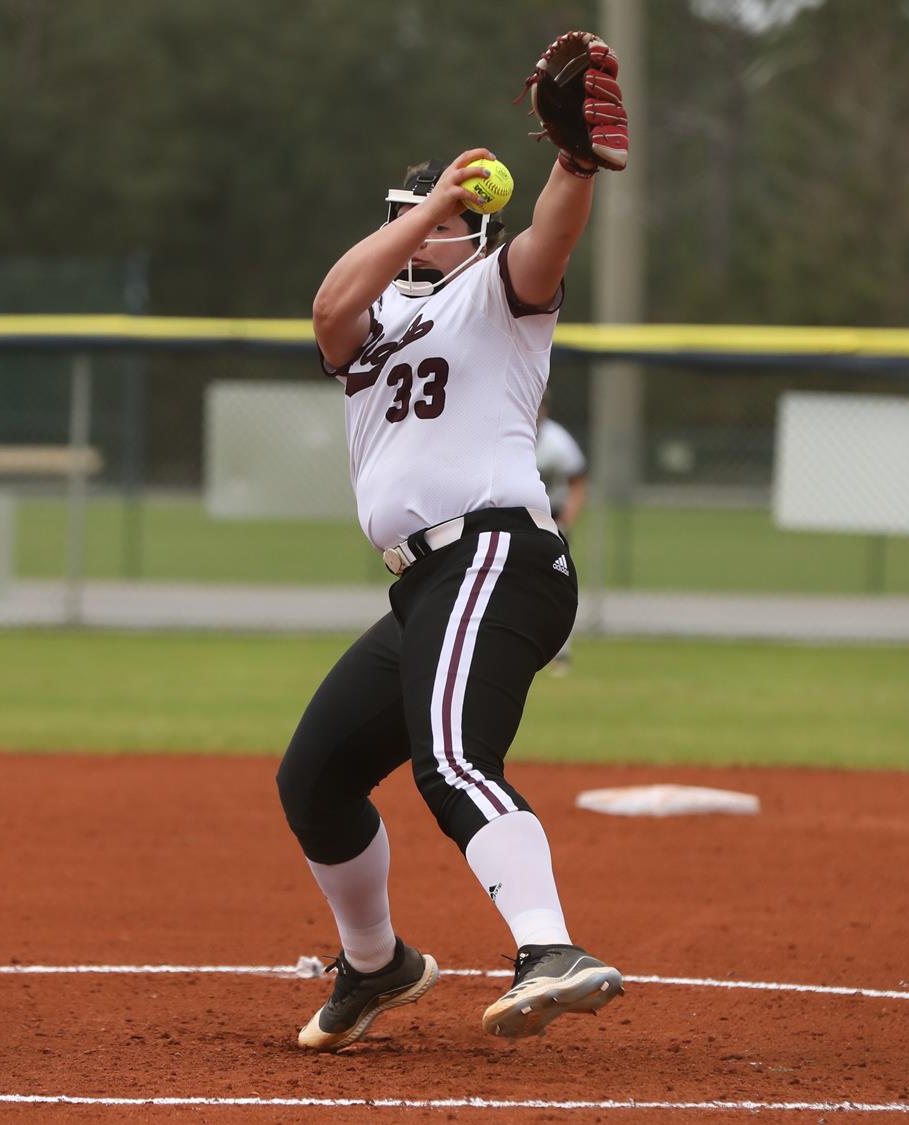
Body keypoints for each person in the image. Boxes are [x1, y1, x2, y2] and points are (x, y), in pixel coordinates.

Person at [276, 32, 629, 1052]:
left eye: (433, 216)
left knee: (450, 759)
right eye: (406, 215)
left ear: (471, 232)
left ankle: (548, 949)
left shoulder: (497, 293)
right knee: (314, 778)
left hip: (493, 555)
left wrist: (569, 162)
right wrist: (435, 206)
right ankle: (377, 964)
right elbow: (329, 308)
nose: (413, 226)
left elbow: (549, 242)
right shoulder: (374, 318)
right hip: (427, 580)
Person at [534, 402, 588, 674]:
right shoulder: (501, 432)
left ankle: (561, 654)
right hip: (509, 517)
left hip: (550, 518)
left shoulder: (557, 441)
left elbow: (578, 480)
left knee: (556, 585)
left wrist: (566, 520)